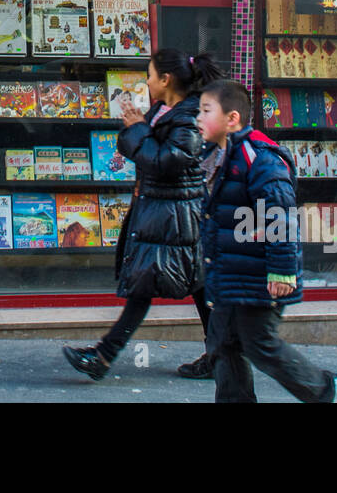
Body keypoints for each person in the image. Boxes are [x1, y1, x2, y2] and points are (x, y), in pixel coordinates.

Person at [62, 48, 219, 381]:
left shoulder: (190, 118)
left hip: (178, 214)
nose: (146, 81)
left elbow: (165, 162)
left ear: (166, 79)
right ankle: (218, 355)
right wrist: (135, 129)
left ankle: (103, 356)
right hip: (162, 211)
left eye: (149, 75)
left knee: (164, 285)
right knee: (181, 285)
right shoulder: (165, 110)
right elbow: (138, 148)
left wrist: (137, 130)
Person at [196, 78, 337, 402]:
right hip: (228, 273)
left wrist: (281, 271)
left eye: (206, 110)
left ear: (232, 119)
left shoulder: (259, 157)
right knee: (222, 342)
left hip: (258, 277)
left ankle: (326, 391)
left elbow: (280, 214)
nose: (198, 117)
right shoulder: (215, 156)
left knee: (258, 344)